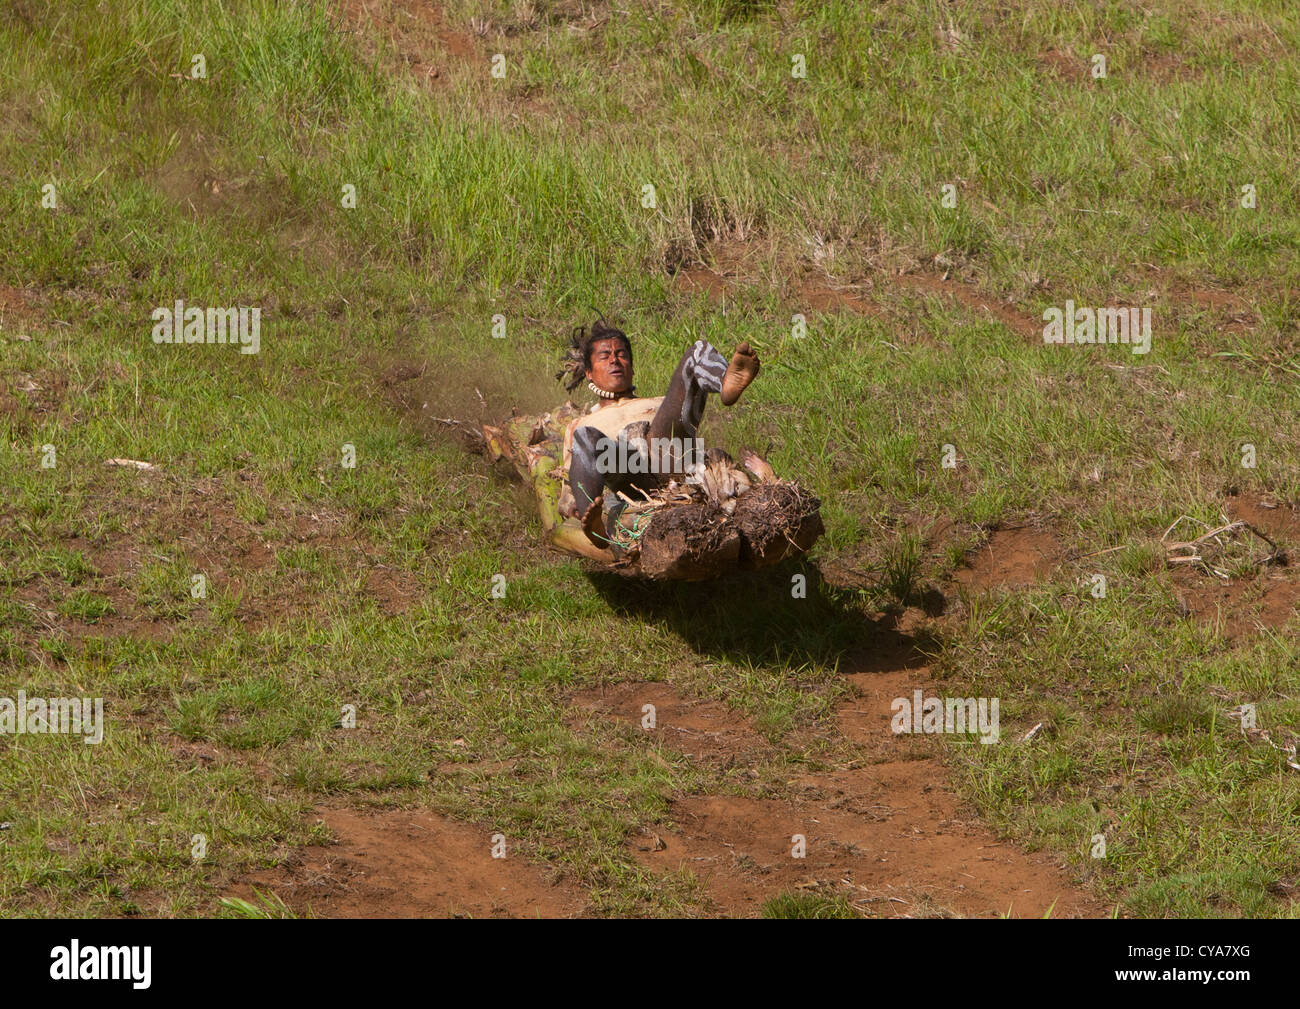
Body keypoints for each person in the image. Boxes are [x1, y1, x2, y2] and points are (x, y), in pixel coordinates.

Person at [555, 318, 760, 548]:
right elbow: (570, 483)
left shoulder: (658, 404)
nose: (615, 360)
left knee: (697, 351)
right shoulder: (581, 424)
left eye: (622, 354)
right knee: (585, 437)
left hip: (671, 462)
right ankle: (593, 526)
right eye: (605, 356)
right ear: (589, 373)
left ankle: (725, 383)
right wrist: (574, 504)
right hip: (629, 478)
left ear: (632, 368)